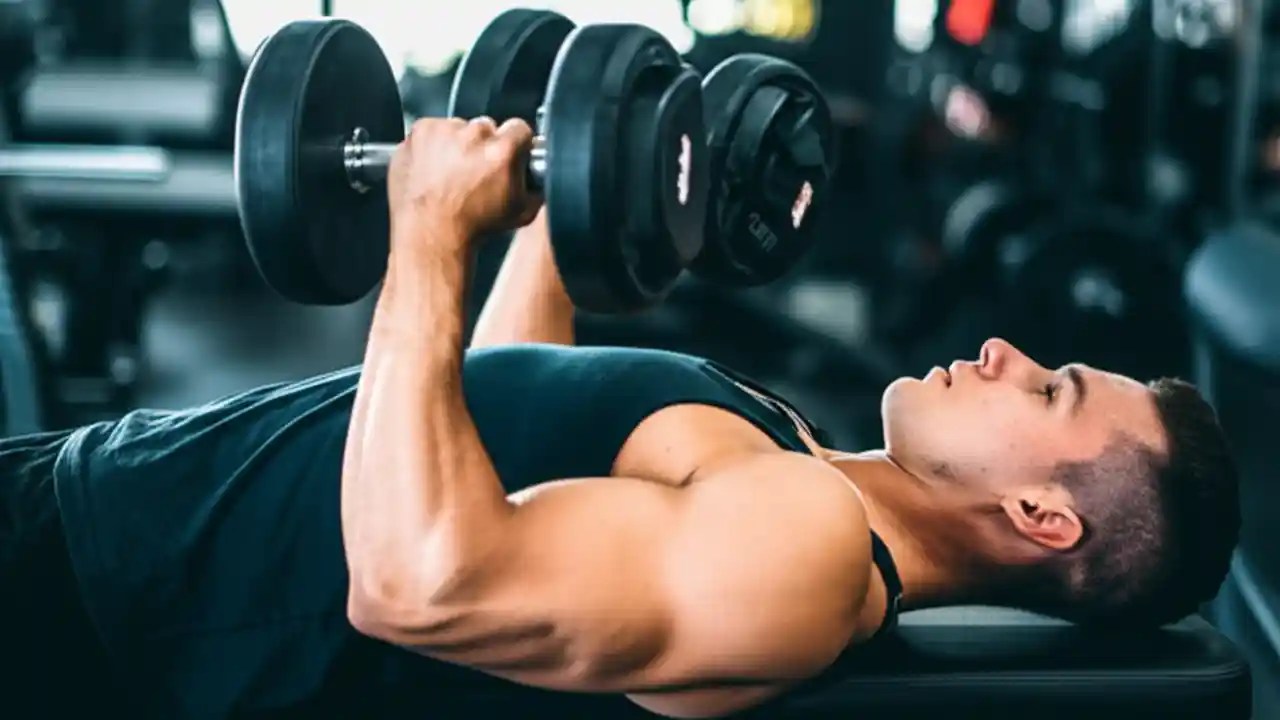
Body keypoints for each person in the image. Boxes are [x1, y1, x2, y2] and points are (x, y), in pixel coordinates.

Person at [2, 117, 1239, 720]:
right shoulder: (805, 469)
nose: (1007, 353)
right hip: (104, 500)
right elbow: (500, 417)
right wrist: (565, 213)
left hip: (98, 603)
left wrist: (426, 233)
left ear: (1039, 516)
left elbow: (419, 581)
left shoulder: (807, 549)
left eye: (1047, 391)